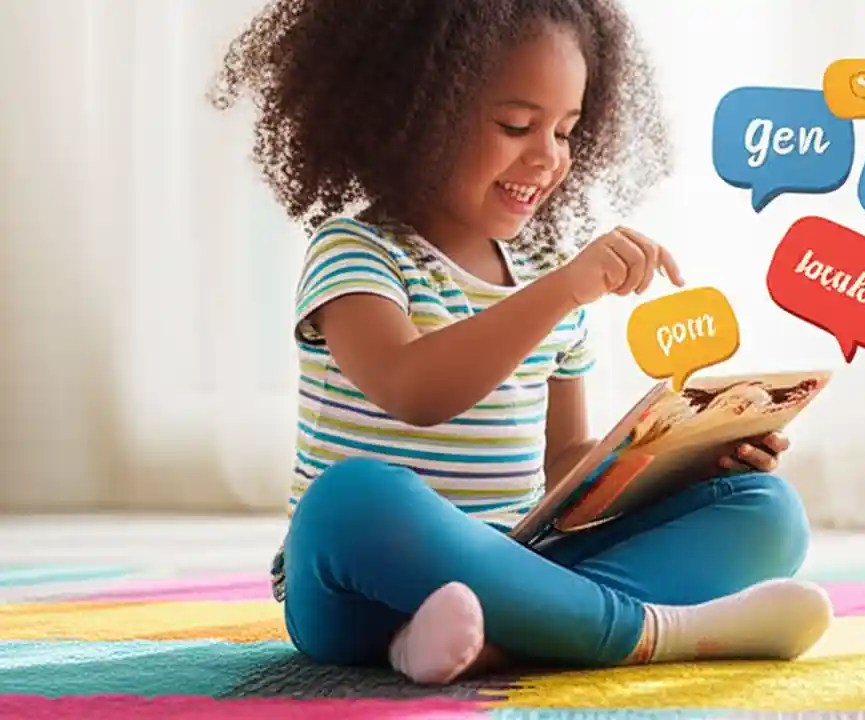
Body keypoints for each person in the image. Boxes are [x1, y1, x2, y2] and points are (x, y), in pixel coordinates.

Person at [210, 0, 833, 686]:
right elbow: (414, 390)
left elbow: (566, 462)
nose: (548, 157)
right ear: (412, 113)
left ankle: (503, 641)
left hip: (512, 568)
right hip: (354, 591)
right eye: (516, 125)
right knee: (349, 499)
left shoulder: (544, 282)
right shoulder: (355, 254)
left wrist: (687, 462)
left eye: (566, 131)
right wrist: (561, 291)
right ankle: (647, 630)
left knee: (767, 511)